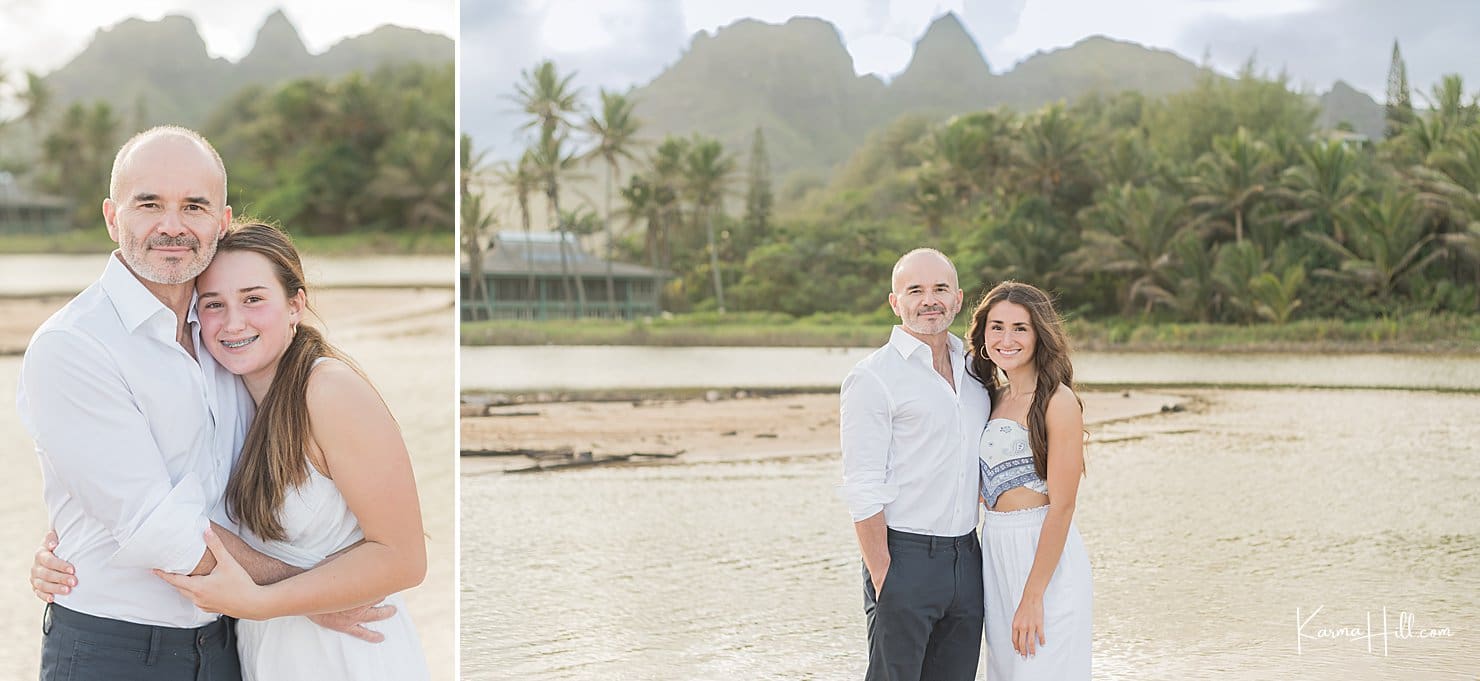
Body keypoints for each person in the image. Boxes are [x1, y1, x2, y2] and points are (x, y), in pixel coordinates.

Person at [18, 126, 399, 680]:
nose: (172, 226)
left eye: (193, 206)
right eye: (149, 203)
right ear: (111, 216)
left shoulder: (226, 336)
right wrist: (313, 594)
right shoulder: (73, 346)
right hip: (116, 650)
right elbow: (156, 525)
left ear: (220, 224)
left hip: (233, 644)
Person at [838, 248, 992, 681]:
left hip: (968, 559)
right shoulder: (873, 377)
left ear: (958, 299)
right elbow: (862, 485)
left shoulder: (975, 372)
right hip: (903, 558)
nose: (930, 300)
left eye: (940, 289)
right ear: (895, 302)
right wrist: (885, 575)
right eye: (916, 290)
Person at [965, 281, 1092, 680]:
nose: (1007, 338)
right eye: (996, 326)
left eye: (1020, 328)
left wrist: (1034, 595)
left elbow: (1063, 505)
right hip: (995, 549)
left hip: (1044, 554)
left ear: (1039, 334)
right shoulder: (991, 397)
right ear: (983, 335)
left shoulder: (1058, 401)